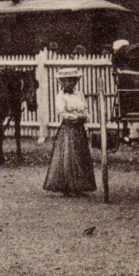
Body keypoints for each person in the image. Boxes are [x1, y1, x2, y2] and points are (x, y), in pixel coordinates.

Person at [43, 67, 96, 197]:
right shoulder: (60, 97)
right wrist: (75, 117)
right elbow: (62, 113)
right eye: (67, 81)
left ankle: (79, 186)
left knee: (80, 155)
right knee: (68, 156)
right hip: (68, 129)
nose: (70, 83)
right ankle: (68, 186)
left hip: (79, 129)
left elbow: (85, 109)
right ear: (61, 82)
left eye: (73, 80)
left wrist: (84, 116)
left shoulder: (80, 94)